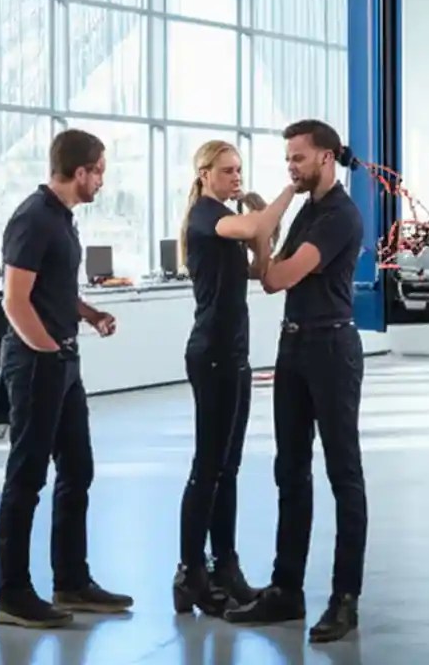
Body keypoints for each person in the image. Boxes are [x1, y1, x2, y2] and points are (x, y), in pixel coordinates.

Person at [223, 119, 366, 643]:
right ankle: (287, 590)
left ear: (326, 158)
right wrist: (266, 236)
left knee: (343, 474)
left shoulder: (338, 217)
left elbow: (277, 276)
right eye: (287, 159)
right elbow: (269, 277)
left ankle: (344, 599)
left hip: (331, 349)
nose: (290, 166)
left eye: (299, 159)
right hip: (294, 346)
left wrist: (265, 233)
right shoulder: (307, 210)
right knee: (291, 470)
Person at [0, 129, 134, 628]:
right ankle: (12, 594)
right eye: (99, 170)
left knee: (78, 469)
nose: (102, 179)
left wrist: (90, 313)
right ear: (81, 172)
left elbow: (52, 290)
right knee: (27, 477)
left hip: (63, 360)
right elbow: (14, 300)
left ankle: (71, 581)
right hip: (38, 363)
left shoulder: (62, 220)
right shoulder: (33, 219)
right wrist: (49, 352)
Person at [172, 139, 296, 617]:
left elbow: (260, 267)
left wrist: (263, 225)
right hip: (212, 356)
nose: (235, 178)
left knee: (228, 468)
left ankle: (225, 566)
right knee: (208, 467)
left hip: (236, 356)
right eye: (227, 171)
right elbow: (259, 225)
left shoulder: (226, 220)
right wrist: (287, 192)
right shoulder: (206, 216)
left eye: (239, 170)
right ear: (205, 174)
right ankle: (190, 571)